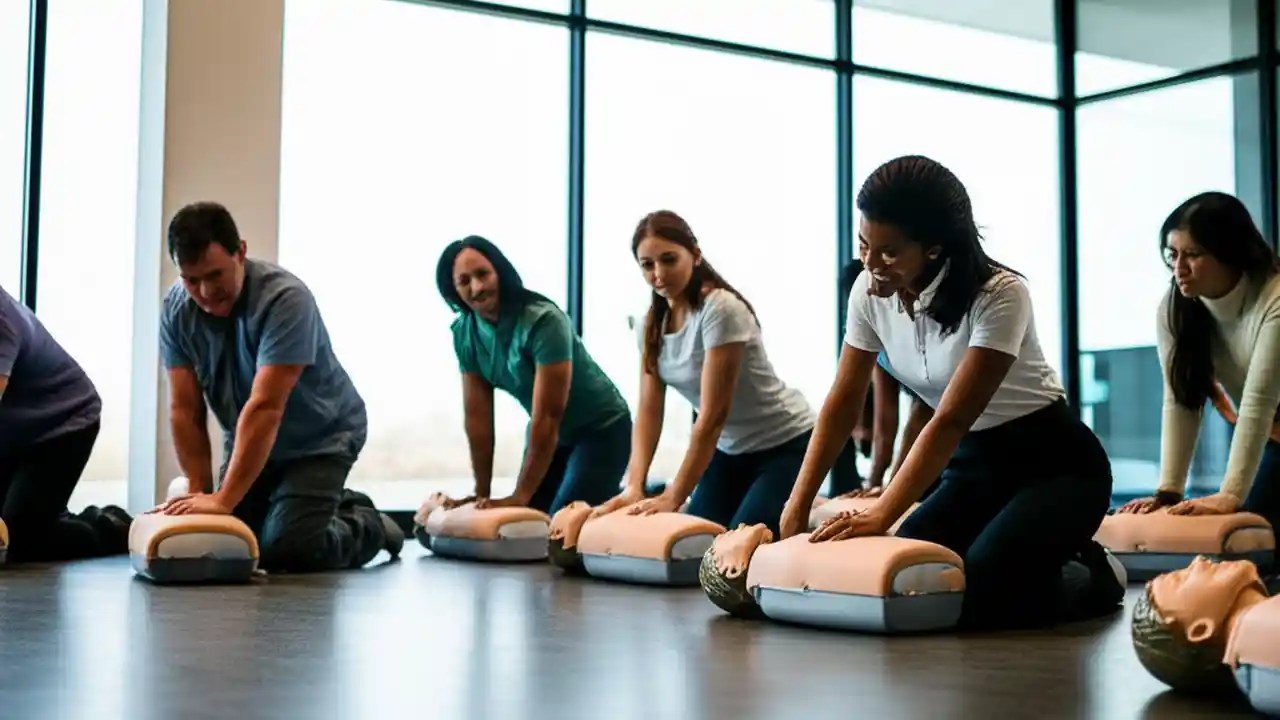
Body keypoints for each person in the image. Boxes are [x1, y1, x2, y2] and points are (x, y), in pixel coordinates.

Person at [779, 155, 1122, 630]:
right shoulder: (867, 291)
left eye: (890, 252)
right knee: (918, 572)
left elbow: (949, 420)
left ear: (935, 247)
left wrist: (882, 511)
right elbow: (841, 402)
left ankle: (1090, 570)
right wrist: (798, 502)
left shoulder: (1001, 294)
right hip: (973, 465)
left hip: (1055, 466)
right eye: (864, 245)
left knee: (979, 591)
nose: (872, 263)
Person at [154, 201, 400, 572]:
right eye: (191, 280)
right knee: (235, 540)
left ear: (241, 252)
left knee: (286, 550)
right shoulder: (176, 310)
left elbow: (266, 406)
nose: (204, 292)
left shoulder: (285, 299)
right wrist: (203, 497)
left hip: (321, 439)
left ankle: (368, 523)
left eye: (215, 275)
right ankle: (312, 505)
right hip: (252, 441)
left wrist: (223, 500)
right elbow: (185, 410)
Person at [595, 210, 857, 536]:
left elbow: (712, 417)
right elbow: (649, 411)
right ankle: (781, 501)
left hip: (787, 444)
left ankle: (810, 505)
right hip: (730, 452)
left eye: (669, 260)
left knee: (740, 540)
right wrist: (634, 486)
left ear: (695, 254)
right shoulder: (650, 324)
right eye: (647, 265)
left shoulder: (721, 310)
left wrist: (675, 495)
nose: (659, 273)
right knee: (700, 541)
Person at [1117, 192, 1280, 536]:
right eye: (1172, 254)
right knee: (1257, 538)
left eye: (1193, 255)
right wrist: (1168, 491)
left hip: (1268, 421)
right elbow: (1181, 398)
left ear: (1230, 254)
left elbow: (1258, 400)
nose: (1179, 269)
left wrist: (1229, 495)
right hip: (1275, 434)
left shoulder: (1274, 300)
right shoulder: (1175, 308)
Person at [437, 236, 632, 514]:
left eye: (483, 274)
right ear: (453, 291)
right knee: (527, 522)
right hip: (552, 437)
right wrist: (481, 494)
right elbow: (478, 422)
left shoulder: (543, 321)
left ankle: (633, 497)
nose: (477, 287)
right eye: (464, 281)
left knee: (561, 529)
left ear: (500, 273)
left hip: (601, 430)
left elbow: (548, 417)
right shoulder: (465, 333)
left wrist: (520, 496)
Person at [0, 286, 132, 561]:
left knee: (19, 537)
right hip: (14, 429)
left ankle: (112, 526)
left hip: (63, 422)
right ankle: (52, 514)